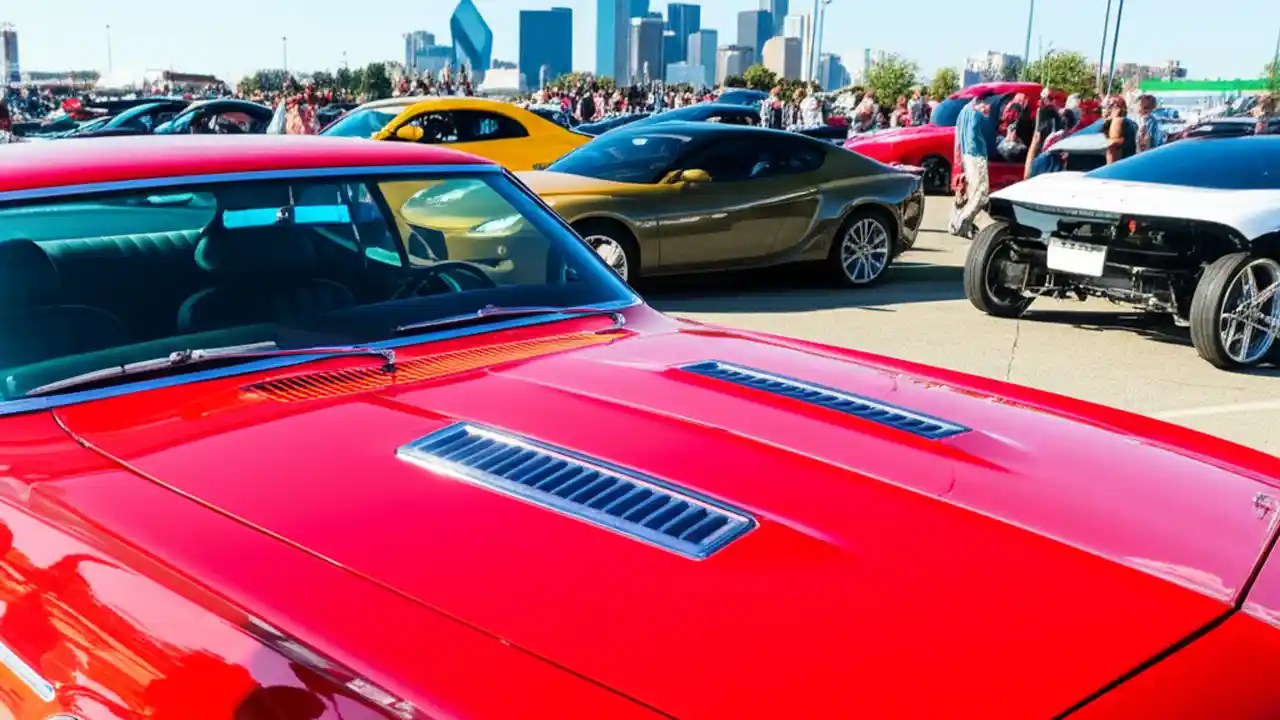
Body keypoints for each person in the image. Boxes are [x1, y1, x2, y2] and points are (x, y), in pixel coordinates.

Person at [949, 93, 992, 239]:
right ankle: (962, 220)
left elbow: (957, 137)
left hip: (966, 156)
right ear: (982, 102)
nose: (988, 109)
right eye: (987, 105)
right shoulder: (976, 114)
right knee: (981, 193)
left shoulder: (963, 111)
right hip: (976, 155)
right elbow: (974, 133)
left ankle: (958, 225)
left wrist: (958, 159)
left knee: (970, 192)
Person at [1103, 96, 1136, 165]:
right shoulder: (1131, 123)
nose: (1107, 109)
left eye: (1110, 106)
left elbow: (1112, 146)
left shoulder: (1118, 121)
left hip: (1116, 165)